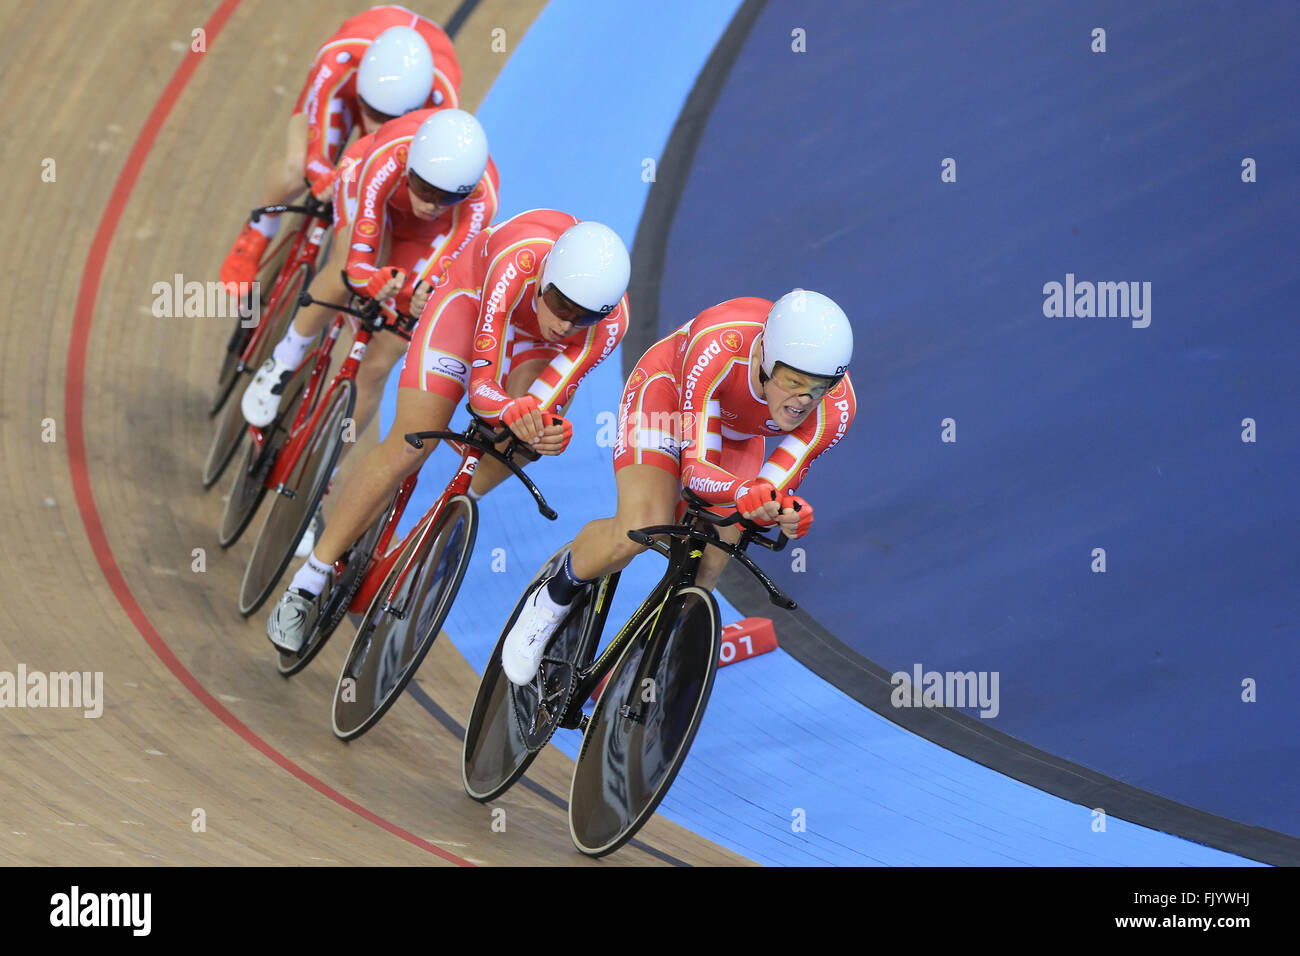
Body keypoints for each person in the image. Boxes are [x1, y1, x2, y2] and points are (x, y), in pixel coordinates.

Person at [264, 212, 633, 653]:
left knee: (524, 437)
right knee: (409, 443)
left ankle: (457, 508)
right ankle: (309, 580)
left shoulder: (610, 325)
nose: (569, 323)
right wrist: (512, 410)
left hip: (539, 351)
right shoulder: (517, 262)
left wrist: (544, 430)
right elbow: (481, 391)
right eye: (562, 306)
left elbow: (551, 392)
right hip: (470, 306)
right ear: (545, 279)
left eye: (586, 316)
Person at [499, 290, 857, 685]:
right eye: (793, 381)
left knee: (712, 558)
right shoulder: (721, 343)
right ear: (765, 359)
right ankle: (550, 600)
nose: (803, 400)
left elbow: (770, 489)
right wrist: (744, 493)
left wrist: (782, 510)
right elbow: (696, 472)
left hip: (737, 433)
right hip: (667, 395)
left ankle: (646, 665)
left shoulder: (836, 408)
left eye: (819, 387)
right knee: (641, 527)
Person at [241, 107, 497, 556]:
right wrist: (372, 281)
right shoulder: (387, 162)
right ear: (411, 167)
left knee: (380, 360)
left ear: (467, 192)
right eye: (424, 188)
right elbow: (359, 264)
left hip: (426, 239)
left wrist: (418, 296)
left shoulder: (480, 203)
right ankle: (284, 358)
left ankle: (314, 489)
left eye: (446, 197)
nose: (432, 202)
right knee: (344, 270)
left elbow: (443, 272)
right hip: (367, 195)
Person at [218, 8, 460, 288]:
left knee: (384, 217)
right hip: (343, 83)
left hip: (410, 123)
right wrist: (322, 173)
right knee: (297, 166)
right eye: (370, 111)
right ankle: (259, 231)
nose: (374, 127)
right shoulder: (337, 61)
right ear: (361, 89)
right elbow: (314, 148)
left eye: (389, 120)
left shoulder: (441, 104)